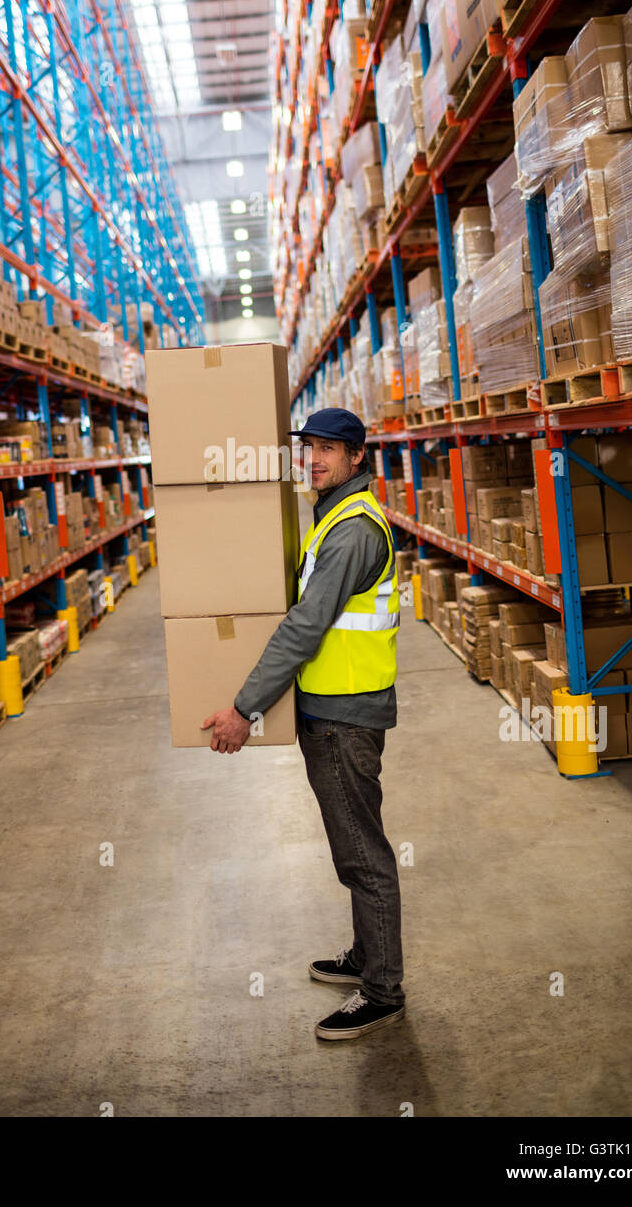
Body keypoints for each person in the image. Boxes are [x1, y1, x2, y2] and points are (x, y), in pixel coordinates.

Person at [201, 407, 405, 1041]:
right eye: (309, 447)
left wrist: (244, 707)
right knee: (351, 846)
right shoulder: (331, 516)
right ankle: (366, 957)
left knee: (361, 855)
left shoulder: (350, 530)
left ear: (355, 457)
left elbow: (306, 626)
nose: (314, 458)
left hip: (346, 716)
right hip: (331, 707)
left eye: (328, 449)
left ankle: (382, 991)